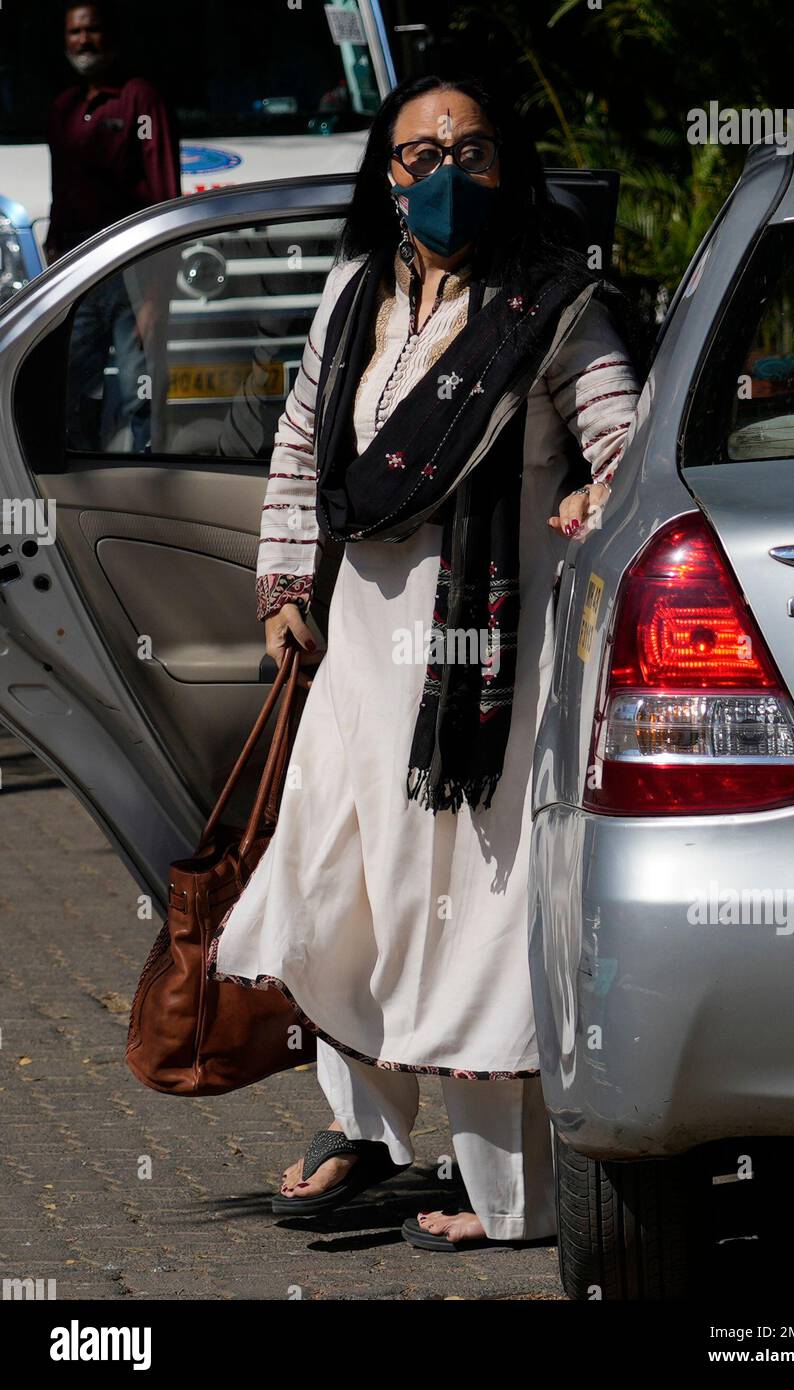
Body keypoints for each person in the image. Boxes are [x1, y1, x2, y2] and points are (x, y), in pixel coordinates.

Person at [207, 73, 641, 1251]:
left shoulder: (553, 307)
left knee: (479, 922)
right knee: (340, 885)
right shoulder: (353, 296)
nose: (444, 170)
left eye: (471, 147)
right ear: (386, 176)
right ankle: (370, 1133)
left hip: (487, 674)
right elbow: (303, 444)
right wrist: (287, 589)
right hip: (363, 651)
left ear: (506, 165)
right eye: (418, 152)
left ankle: (515, 1197)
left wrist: (597, 492)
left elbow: (625, 441)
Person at [47, 2, 180, 451]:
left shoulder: (140, 98)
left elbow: (165, 198)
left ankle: (145, 499)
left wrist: (156, 296)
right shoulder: (64, 107)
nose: (82, 40)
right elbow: (61, 195)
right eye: (74, 32)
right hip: (76, 274)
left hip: (132, 272)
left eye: (93, 30)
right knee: (72, 391)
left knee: (138, 395)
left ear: (111, 36)